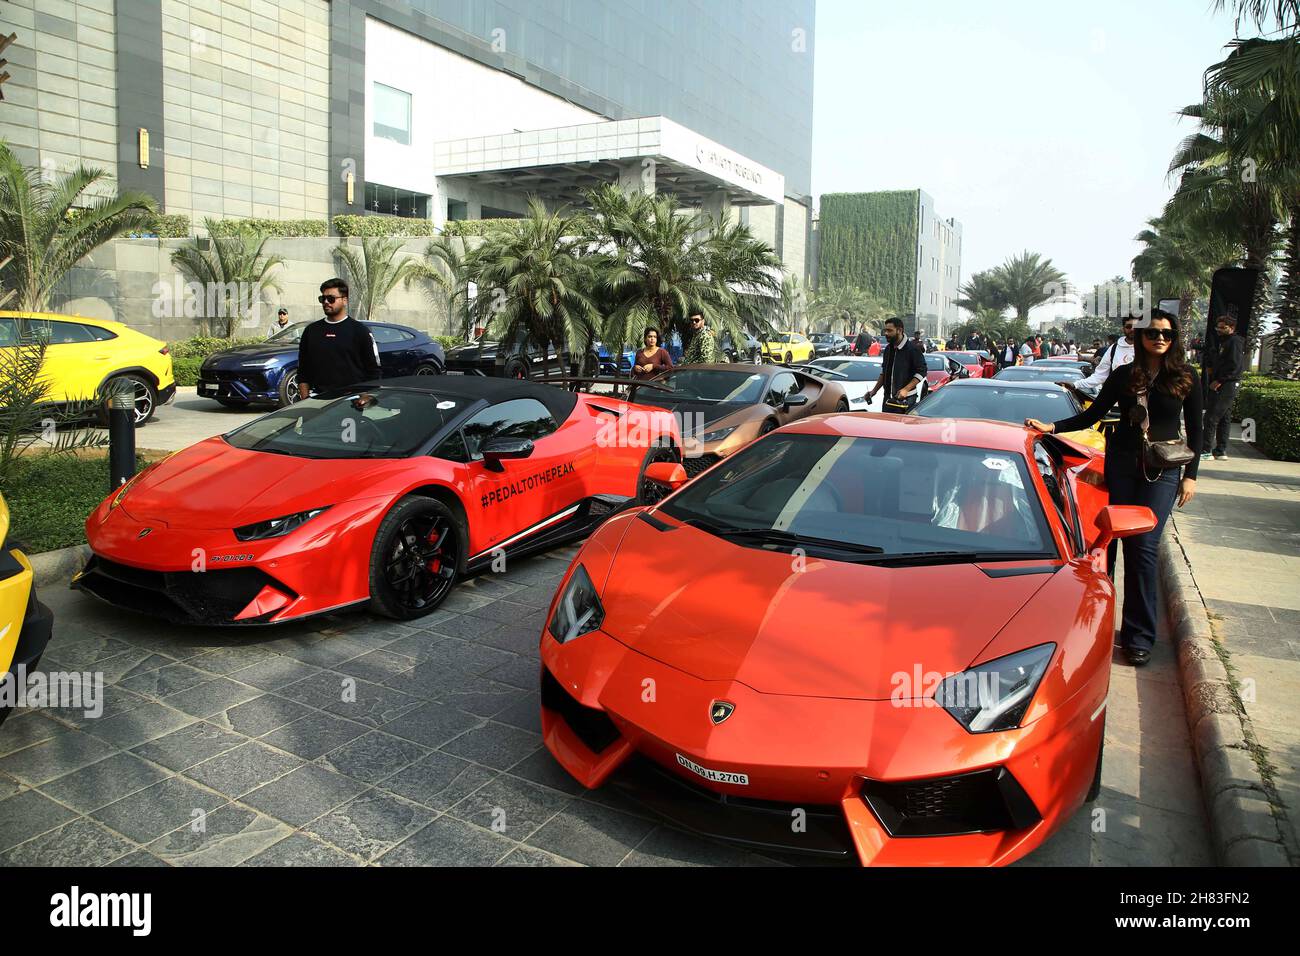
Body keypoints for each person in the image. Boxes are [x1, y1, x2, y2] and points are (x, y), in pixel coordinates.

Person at [1025, 310, 1200, 666]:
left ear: (1175, 338)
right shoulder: (1124, 375)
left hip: (1162, 470)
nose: (1160, 339)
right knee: (1111, 545)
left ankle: (1139, 636)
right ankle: (1098, 626)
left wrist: (1192, 475)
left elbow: (1198, 430)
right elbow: (1092, 415)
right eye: (1153, 333)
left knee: (1145, 547)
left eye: (1167, 334)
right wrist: (1052, 426)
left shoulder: (1185, 376)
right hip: (1122, 465)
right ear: (1140, 337)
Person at [297, 278, 380, 401]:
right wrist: (305, 398)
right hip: (317, 400)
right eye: (322, 299)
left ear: (344, 300)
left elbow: (373, 370)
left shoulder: (360, 331)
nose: (326, 302)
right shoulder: (311, 331)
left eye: (331, 299)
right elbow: (303, 369)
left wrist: (366, 397)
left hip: (350, 401)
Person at [1201, 313, 1245, 460]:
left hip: (1228, 384)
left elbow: (1234, 365)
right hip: (1224, 382)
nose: (1219, 330)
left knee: (1211, 417)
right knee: (1224, 418)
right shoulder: (1223, 342)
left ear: (1231, 328)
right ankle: (1220, 450)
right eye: (1217, 327)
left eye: (1222, 327)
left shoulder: (1235, 342)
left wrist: (1220, 380)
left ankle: (1206, 450)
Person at [866, 316, 927, 413]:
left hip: (906, 400)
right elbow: (884, 373)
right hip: (888, 399)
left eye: (889, 330)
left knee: (902, 428)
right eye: (885, 330)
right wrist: (873, 391)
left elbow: (922, 371)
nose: (886, 333)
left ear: (899, 330)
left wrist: (906, 389)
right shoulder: (888, 349)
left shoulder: (912, 349)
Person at [1068, 315, 1136, 397]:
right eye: (1129, 326)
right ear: (1123, 329)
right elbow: (1100, 375)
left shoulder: (1148, 347)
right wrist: (1075, 385)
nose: (1132, 329)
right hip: (1122, 399)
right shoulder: (1114, 349)